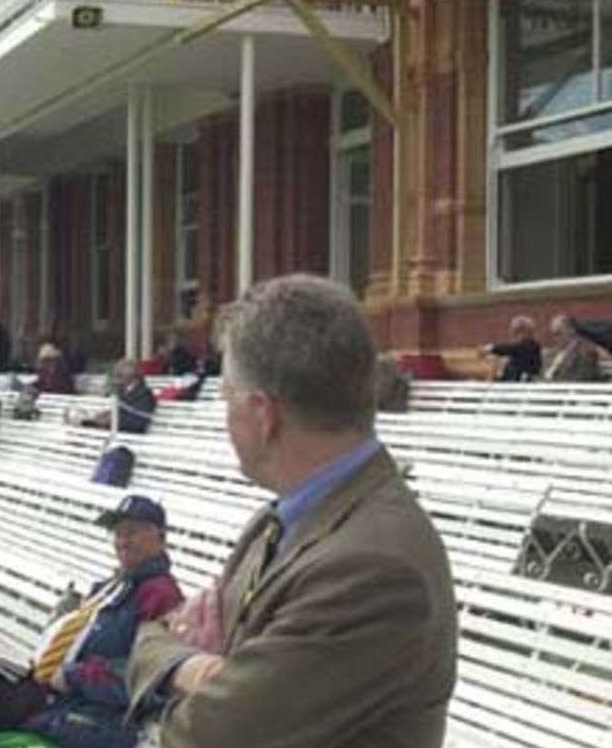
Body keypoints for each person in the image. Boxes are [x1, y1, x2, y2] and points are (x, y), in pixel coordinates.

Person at [126, 274, 457, 748]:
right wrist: (200, 672)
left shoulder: (372, 568)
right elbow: (152, 637)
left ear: (263, 415)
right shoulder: (281, 519)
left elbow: (209, 737)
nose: (225, 418)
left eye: (226, 399)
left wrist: (185, 674)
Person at [0, 496, 183, 748]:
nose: (122, 541)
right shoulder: (113, 586)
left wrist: (74, 675)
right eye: (118, 533)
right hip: (38, 677)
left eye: (131, 532)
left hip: (67, 701)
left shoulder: (160, 594)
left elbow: (147, 675)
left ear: (159, 536)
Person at [83, 360, 157, 434]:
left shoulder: (145, 395)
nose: (118, 380)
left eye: (120, 376)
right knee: (86, 424)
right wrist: (107, 415)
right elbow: (122, 412)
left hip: (130, 434)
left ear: (130, 377)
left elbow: (138, 422)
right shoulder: (124, 391)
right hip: (117, 431)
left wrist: (110, 421)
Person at [481, 315, 542, 382]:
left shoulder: (530, 346)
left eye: (516, 332)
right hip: (511, 382)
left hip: (523, 384)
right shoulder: (518, 349)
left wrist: (491, 348)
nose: (513, 336)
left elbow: (510, 348)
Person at [544, 314, 601, 382]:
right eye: (553, 334)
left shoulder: (585, 352)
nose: (555, 338)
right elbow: (542, 374)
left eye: (558, 333)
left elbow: (582, 379)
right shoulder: (551, 353)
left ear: (571, 330)